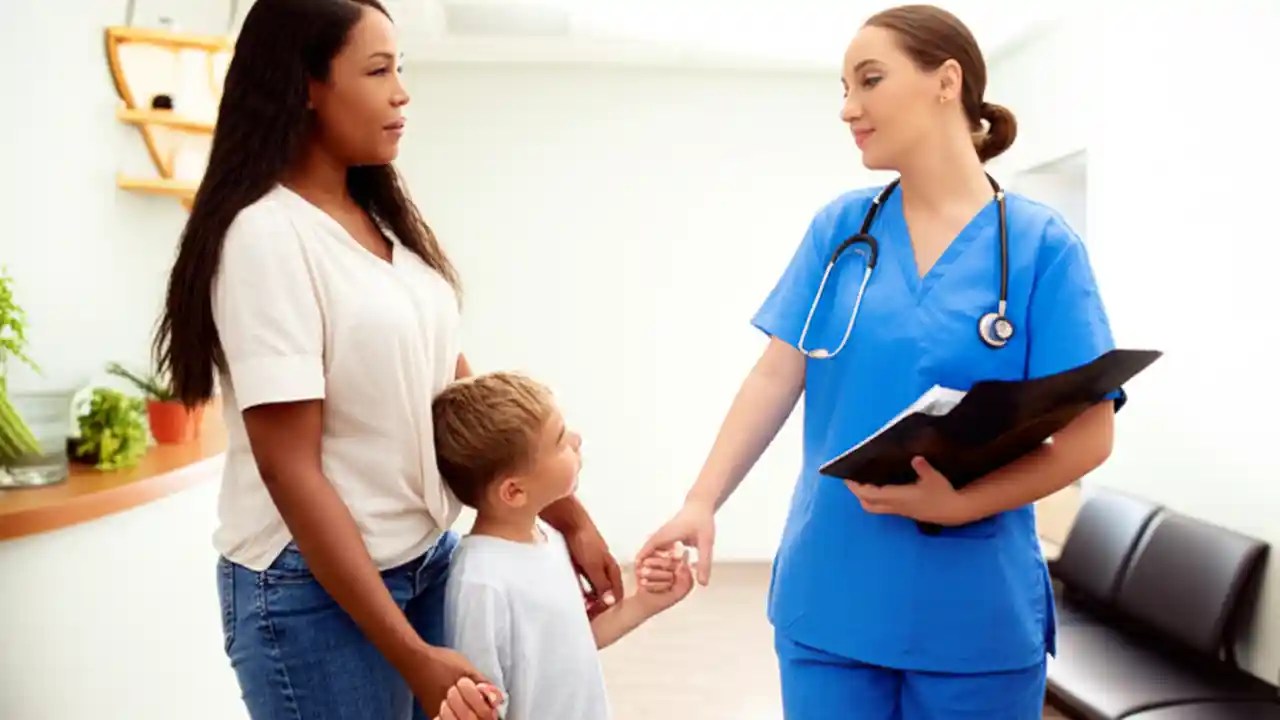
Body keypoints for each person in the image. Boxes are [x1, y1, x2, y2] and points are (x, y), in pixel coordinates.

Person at [639, 5, 1122, 719]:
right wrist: (701, 500)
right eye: (842, 87)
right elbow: (777, 373)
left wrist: (961, 504)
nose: (847, 108)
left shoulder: (1042, 248)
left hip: (975, 612)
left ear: (946, 81)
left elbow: (1090, 436)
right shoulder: (842, 230)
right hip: (832, 591)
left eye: (868, 80)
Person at [151, 1, 622, 718]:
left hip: (422, 562)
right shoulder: (267, 236)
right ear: (306, 84)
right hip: (310, 593)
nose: (401, 90)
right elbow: (289, 467)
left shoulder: (380, 224)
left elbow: (454, 388)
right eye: (377, 70)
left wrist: (568, 514)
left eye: (400, 67)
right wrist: (410, 652)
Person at [431, 371, 694, 720]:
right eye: (559, 441)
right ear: (514, 492)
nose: (577, 439)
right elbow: (483, 704)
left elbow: (572, 646)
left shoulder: (548, 540)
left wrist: (647, 602)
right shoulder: (480, 582)